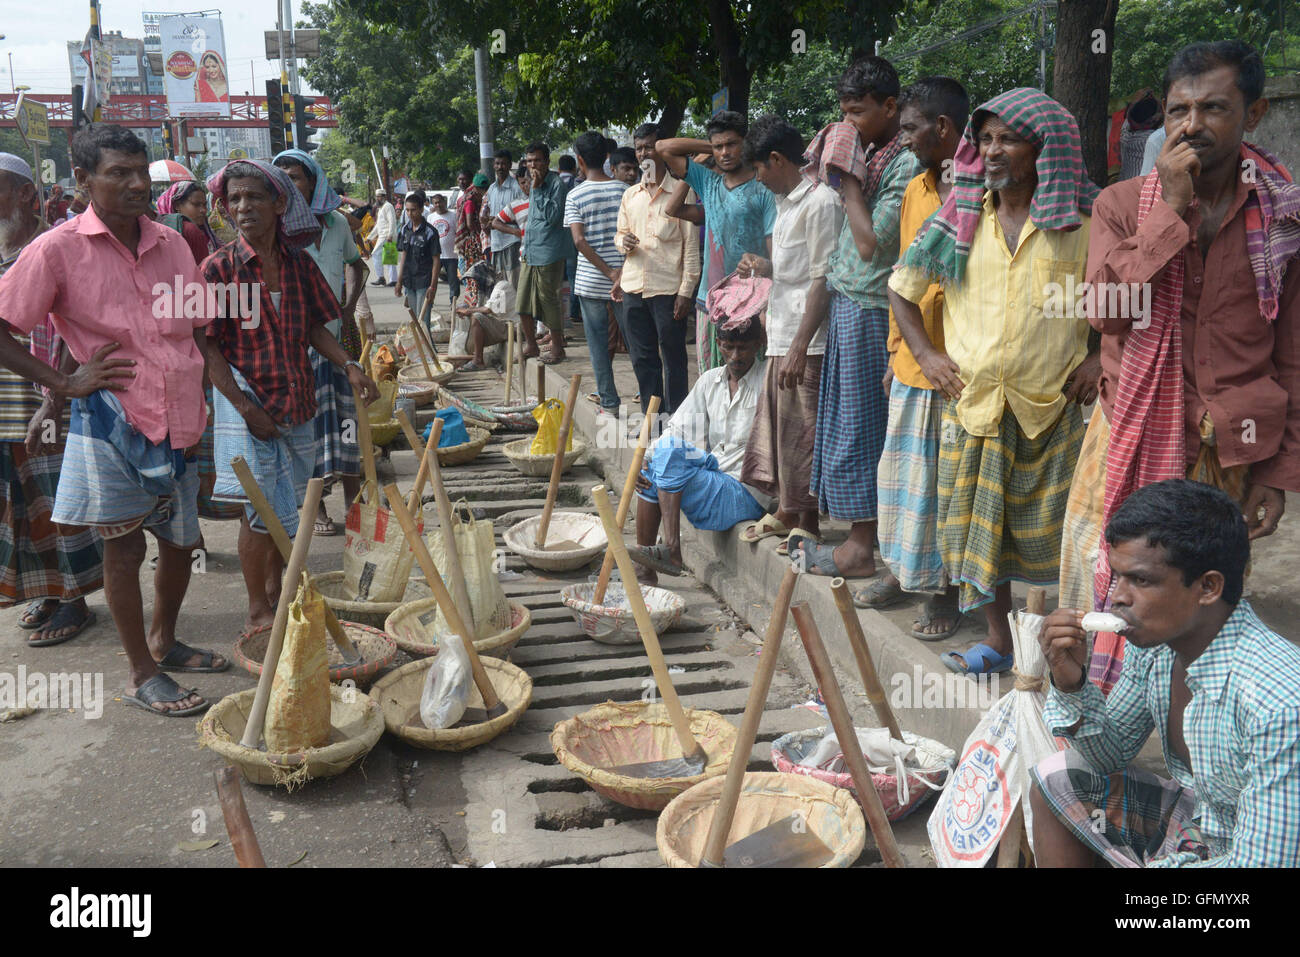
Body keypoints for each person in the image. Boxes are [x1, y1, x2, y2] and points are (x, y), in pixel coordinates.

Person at [1058, 41, 1300, 694]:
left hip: (1229, 449)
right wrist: (1167, 211)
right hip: (1125, 437)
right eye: (1179, 109)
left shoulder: (1284, 216)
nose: (1193, 124)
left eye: (1215, 107)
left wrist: (1278, 472)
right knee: (1109, 596)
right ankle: (1099, 738)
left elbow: (1292, 356)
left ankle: (1195, 753)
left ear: (1255, 113)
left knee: (1204, 613)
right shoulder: (1120, 204)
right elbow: (1107, 311)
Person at [0, 125, 221, 716]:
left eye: (138, 171)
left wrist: (205, 386)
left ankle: (165, 641)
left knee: (181, 543)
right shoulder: (56, 248)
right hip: (111, 420)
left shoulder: (173, 243)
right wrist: (63, 385)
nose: (132, 183)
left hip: (180, 418)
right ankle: (141, 672)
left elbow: (196, 323)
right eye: (117, 172)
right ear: (82, 180)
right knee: (122, 552)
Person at [889, 88, 1099, 677]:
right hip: (973, 405)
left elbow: (1126, 298)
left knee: (1055, 537)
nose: (993, 150)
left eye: (1008, 138)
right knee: (983, 538)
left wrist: (1100, 357)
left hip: (1050, 404)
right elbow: (901, 289)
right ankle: (998, 642)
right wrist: (927, 354)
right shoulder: (959, 217)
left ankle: (1058, 649)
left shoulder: (1082, 225)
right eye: (985, 139)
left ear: (1045, 149)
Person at [1029, 479, 1300, 867]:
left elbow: (1264, 864)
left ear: (1207, 587)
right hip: (1203, 821)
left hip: (1267, 854)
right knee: (1060, 780)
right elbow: (1110, 754)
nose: (1118, 596)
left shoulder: (1279, 703)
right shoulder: (1156, 648)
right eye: (1117, 576)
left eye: (1140, 580)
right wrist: (1071, 682)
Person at [202, 160, 378, 642]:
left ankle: (280, 593)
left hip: (297, 399)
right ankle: (258, 608)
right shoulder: (218, 269)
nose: (243, 207)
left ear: (280, 204)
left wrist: (349, 364)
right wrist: (243, 406)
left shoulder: (299, 263)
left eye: (254, 197)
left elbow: (317, 326)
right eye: (234, 199)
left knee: (290, 508)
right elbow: (209, 348)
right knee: (259, 512)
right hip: (247, 403)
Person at [788, 56, 922, 581]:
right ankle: (861, 539)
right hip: (849, 305)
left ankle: (864, 546)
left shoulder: (903, 164)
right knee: (845, 427)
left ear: (890, 107)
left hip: (875, 310)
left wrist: (845, 181)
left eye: (859, 113)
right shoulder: (873, 154)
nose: (850, 124)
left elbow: (870, 246)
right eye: (844, 113)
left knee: (865, 430)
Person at [857, 76, 969, 640]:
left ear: (942, 128)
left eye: (909, 128)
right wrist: (899, 350)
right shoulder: (916, 190)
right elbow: (903, 276)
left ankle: (942, 593)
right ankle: (903, 573)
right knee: (899, 482)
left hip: (957, 370)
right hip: (912, 364)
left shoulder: (981, 190)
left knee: (940, 490)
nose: (901, 139)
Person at [0, 154, 103, 647]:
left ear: (23, 193)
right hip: (6, 399)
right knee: (23, 505)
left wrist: (56, 400)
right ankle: (49, 590)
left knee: (61, 501)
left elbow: (68, 333)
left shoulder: (52, 245)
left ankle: (76, 599)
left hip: (45, 396)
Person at [735, 116, 844, 551]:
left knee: (805, 434)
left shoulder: (821, 203)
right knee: (782, 432)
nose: (758, 179)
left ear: (777, 160)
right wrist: (765, 269)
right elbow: (795, 270)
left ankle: (809, 523)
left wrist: (800, 345)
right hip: (781, 332)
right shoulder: (786, 204)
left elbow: (823, 278)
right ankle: (787, 509)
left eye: (760, 169)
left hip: (807, 340)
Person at [629, 311, 769, 582]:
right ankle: (646, 569)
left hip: (746, 492)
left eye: (743, 348)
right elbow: (678, 428)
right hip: (715, 477)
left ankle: (671, 549)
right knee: (654, 463)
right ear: (719, 345)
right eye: (729, 348)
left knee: (665, 457)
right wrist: (644, 459)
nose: (736, 356)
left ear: (758, 345)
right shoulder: (710, 381)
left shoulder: (767, 381)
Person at [273, 149, 367, 536]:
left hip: (335, 342)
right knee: (307, 431)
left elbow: (356, 265)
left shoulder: (338, 225)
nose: (288, 184)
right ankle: (319, 510)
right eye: (282, 178)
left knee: (346, 425)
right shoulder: (277, 230)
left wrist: (346, 309)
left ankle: (354, 506)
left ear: (312, 181)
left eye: (294, 177)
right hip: (295, 347)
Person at [657, 111, 777, 373]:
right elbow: (662, 147)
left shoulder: (763, 188)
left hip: (752, 302)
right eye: (718, 146)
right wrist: (707, 146)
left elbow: (774, 254)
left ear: (745, 142)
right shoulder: (708, 181)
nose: (724, 152)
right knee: (710, 379)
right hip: (709, 300)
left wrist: (764, 265)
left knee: (751, 383)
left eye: (732, 144)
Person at [613, 123, 700, 417]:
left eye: (649, 147)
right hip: (634, 288)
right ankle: (655, 423)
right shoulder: (630, 196)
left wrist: (686, 292)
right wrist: (622, 242)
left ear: (662, 150)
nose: (644, 154)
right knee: (642, 359)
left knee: (674, 359)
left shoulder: (681, 192)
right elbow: (619, 234)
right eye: (639, 148)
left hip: (668, 291)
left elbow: (690, 248)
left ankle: (677, 422)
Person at [565, 132, 630, 417]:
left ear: (580, 160)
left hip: (592, 282)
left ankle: (610, 404)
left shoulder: (575, 195)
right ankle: (651, 398)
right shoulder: (625, 191)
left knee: (598, 347)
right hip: (628, 280)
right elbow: (635, 235)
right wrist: (619, 272)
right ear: (606, 157)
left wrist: (607, 272)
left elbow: (580, 241)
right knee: (636, 342)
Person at [516, 142, 574, 364]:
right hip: (531, 250)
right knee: (522, 303)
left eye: (537, 160)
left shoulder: (555, 184)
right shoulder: (532, 184)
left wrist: (538, 188)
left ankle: (558, 348)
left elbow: (552, 217)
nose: (533, 165)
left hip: (549, 252)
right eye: (529, 161)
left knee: (548, 300)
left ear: (546, 162)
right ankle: (531, 345)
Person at [394, 189, 440, 332]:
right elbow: (403, 257)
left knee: (423, 322)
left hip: (424, 282)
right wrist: (399, 281)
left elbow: (436, 261)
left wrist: (433, 287)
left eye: (413, 210)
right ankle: (420, 353)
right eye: (407, 211)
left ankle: (428, 353)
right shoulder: (404, 230)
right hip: (409, 282)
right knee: (414, 321)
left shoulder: (430, 232)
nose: (410, 214)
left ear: (421, 209)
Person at [459, 269, 518, 371]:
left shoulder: (502, 286)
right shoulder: (488, 291)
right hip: (505, 325)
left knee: (477, 317)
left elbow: (488, 309)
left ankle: (478, 361)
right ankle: (471, 356)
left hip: (514, 327)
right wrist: (467, 311)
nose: (475, 285)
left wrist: (468, 311)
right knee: (474, 316)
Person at [486, 149, 524, 286]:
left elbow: (523, 215)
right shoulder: (491, 189)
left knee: (513, 283)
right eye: (497, 163)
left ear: (509, 166)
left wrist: (500, 221)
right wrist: (490, 221)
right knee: (499, 285)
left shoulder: (517, 187)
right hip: (496, 244)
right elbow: (491, 214)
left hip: (512, 242)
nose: (500, 167)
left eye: (503, 164)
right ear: (493, 165)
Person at [455, 173, 490, 312]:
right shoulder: (470, 202)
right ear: (475, 189)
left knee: (479, 273)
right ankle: (473, 302)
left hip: (475, 241)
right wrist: (482, 229)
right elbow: (469, 224)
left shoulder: (474, 200)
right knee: (475, 273)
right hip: (474, 243)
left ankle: (477, 301)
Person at [427, 192, 460, 308]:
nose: (438, 205)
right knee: (432, 280)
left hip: (451, 255)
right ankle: (429, 302)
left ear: (444, 202)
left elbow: (459, 232)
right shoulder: (430, 217)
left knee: (453, 280)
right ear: (433, 205)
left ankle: (453, 302)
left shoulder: (453, 215)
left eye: (440, 202)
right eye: (435, 203)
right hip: (435, 256)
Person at [366, 188, 397, 285]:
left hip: (387, 235)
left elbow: (392, 221)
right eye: (377, 196)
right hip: (382, 235)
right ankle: (391, 279)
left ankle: (383, 278)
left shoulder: (388, 206)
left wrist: (390, 235)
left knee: (376, 254)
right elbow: (378, 226)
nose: (378, 198)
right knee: (388, 257)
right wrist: (369, 237)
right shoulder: (381, 208)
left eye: (380, 196)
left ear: (384, 197)